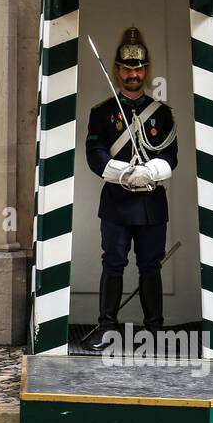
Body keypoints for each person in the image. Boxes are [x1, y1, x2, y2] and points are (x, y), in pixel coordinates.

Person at [81, 27, 178, 351]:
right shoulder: (102, 113)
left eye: (137, 69)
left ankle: (155, 332)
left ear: (145, 71)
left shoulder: (161, 114)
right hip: (117, 203)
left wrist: (150, 170)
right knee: (113, 263)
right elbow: (95, 155)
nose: (132, 74)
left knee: (150, 266)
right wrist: (125, 173)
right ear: (117, 70)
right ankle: (106, 329)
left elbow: (170, 155)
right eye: (126, 68)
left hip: (151, 204)